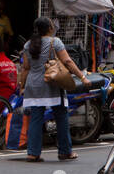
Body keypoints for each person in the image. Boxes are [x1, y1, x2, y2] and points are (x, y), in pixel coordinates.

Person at [18, 16, 85, 162]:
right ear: (50, 28)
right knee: (61, 117)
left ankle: (33, 153)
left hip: (33, 84)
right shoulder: (55, 42)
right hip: (52, 82)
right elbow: (67, 61)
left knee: (35, 119)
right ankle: (65, 151)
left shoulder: (28, 44)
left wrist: (22, 86)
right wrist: (82, 77)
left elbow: (25, 68)